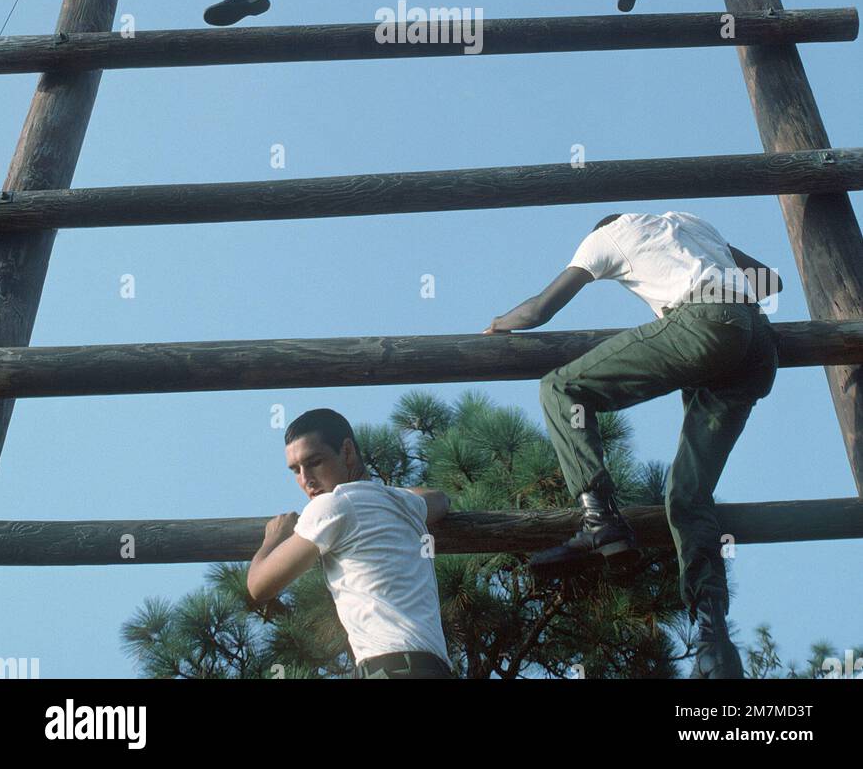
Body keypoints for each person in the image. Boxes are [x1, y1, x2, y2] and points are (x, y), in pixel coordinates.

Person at [483, 210, 782, 679]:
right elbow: (771, 283)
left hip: (704, 323)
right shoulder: (692, 222)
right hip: (758, 346)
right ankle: (713, 638)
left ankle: (601, 521)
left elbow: (539, 310)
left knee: (560, 389)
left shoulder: (606, 238)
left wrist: (499, 323)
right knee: (687, 496)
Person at [247, 407, 456, 680]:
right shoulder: (400, 502)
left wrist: (272, 539)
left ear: (347, 452)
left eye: (314, 462)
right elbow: (440, 499)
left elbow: (259, 586)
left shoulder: (333, 505)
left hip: (387, 668)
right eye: (295, 470)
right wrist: (391, 494)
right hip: (433, 668)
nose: (305, 479)